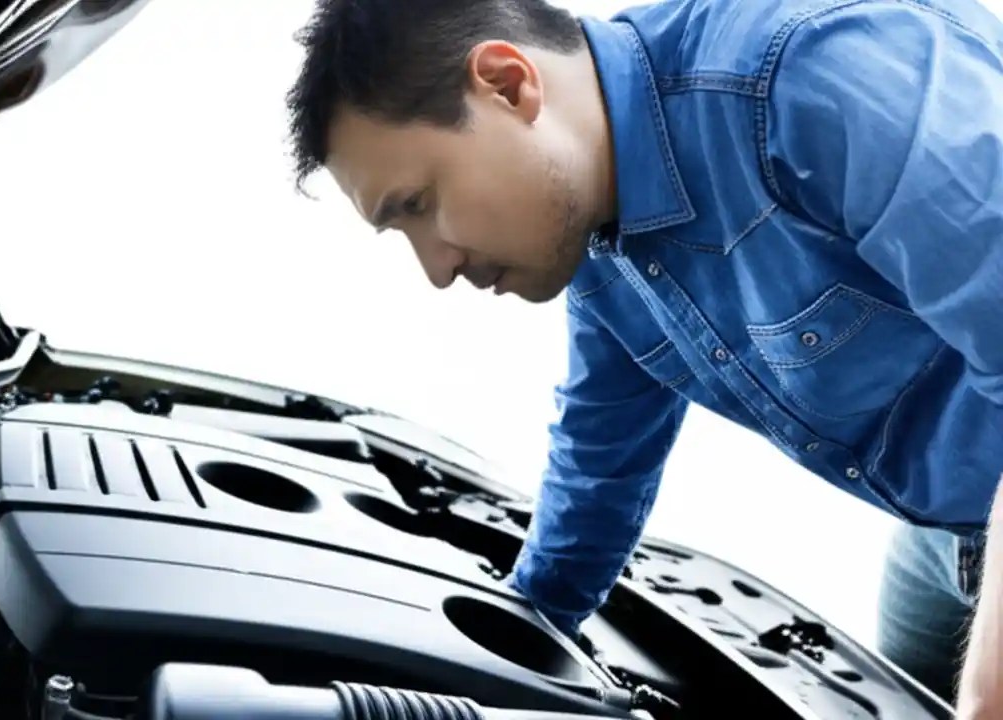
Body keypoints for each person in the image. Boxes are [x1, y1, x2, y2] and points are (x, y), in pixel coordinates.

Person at [283, 0, 1003, 713]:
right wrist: (508, 649)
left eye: (418, 204)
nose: (435, 268)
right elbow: (599, 466)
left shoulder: (815, 70)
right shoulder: (600, 236)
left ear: (508, 84)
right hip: (947, 533)